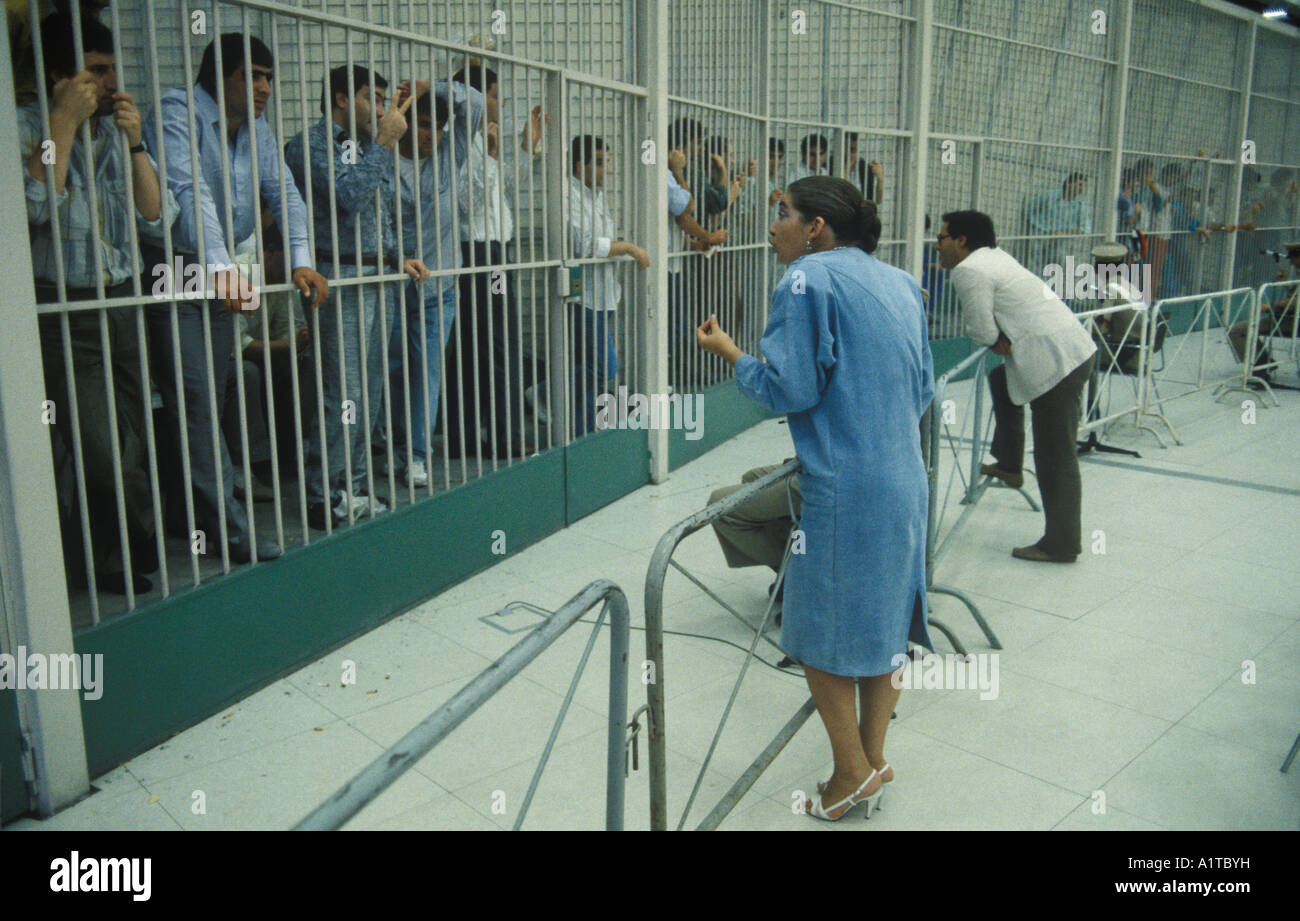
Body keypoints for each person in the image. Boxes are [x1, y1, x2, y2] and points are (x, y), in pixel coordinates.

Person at [697, 176, 934, 821]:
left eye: (783, 215)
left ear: (816, 229)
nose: (772, 227)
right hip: (905, 478)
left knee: (818, 633)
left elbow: (790, 389)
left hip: (845, 489)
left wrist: (731, 355)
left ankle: (849, 774)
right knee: (887, 623)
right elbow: (923, 388)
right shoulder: (901, 284)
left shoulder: (805, 281)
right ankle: (874, 758)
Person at [144, 33, 327, 563]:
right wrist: (220, 269)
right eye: (254, 76)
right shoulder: (179, 110)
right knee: (196, 398)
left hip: (221, 269)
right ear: (218, 76)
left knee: (217, 392)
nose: (266, 87)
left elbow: (284, 192)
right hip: (175, 269)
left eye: (269, 77)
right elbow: (187, 188)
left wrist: (299, 258)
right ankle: (228, 530)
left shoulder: (258, 130)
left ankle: (195, 514)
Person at [21, 11, 170, 595]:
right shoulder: (26, 125)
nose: (111, 84)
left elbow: (156, 215)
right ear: (59, 76)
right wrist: (61, 122)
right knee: (102, 446)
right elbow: (34, 207)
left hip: (123, 298)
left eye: (113, 70)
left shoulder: (115, 132)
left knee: (135, 433)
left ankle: (115, 556)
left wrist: (135, 144)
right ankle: (128, 542)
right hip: (65, 305)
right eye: (97, 71)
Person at [284, 64, 427, 529]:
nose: (382, 109)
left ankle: (357, 486)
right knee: (340, 392)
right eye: (373, 97)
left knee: (369, 390)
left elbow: (382, 213)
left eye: (386, 100)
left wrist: (395, 257)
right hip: (335, 275)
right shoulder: (309, 145)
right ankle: (323, 493)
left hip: (374, 276)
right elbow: (348, 197)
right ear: (342, 100)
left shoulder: (368, 148)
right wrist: (387, 142)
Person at [937, 209, 1096, 563]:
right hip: (1072, 347)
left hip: (1058, 363)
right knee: (1000, 378)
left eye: (941, 238)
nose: (937, 247)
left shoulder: (969, 270)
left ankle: (1062, 544)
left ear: (961, 241)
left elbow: (980, 331)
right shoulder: (995, 256)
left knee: (1055, 455)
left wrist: (995, 337)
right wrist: (1000, 336)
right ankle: (1009, 464)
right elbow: (995, 326)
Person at [567, 135, 649, 436]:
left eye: (607, 161)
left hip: (604, 294)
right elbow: (586, 245)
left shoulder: (596, 196)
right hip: (582, 295)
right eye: (600, 162)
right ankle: (545, 393)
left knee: (590, 368)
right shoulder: (568, 196)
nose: (607, 169)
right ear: (580, 166)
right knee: (604, 367)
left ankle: (582, 430)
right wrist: (627, 246)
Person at [1228, 240, 1299, 385]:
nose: (1291, 263)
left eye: (1292, 258)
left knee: (1237, 331)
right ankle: (1264, 364)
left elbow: (1295, 302)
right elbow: (1295, 296)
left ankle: (1261, 367)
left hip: (1295, 322)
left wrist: (1271, 306)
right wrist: (1285, 283)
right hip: (1291, 318)